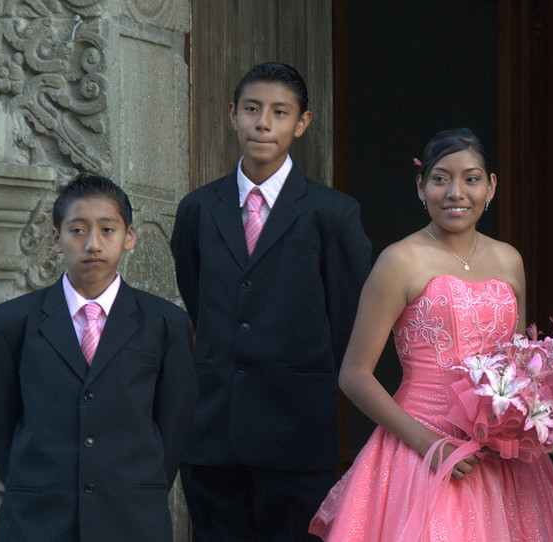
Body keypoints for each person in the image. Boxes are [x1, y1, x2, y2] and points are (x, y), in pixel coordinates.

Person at [309, 128, 553, 541]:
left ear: (491, 186)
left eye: (471, 179)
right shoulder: (399, 260)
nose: (456, 193)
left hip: (501, 459)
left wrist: (520, 419)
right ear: (421, 186)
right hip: (420, 450)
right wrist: (429, 445)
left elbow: (517, 367)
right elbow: (354, 375)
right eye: (440, 179)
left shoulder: (509, 260)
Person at [170, 61, 371, 541]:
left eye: (280, 112)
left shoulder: (333, 214)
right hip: (213, 432)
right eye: (252, 109)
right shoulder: (198, 209)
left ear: (301, 123)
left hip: (296, 434)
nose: (263, 123)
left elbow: (349, 324)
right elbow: (199, 300)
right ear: (232, 115)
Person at [0, 172, 197, 542]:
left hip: (132, 519)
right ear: (56, 239)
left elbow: (174, 424)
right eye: (77, 230)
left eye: (107, 230)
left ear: (129, 236)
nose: (93, 243)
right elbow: (1, 421)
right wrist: (32, 484)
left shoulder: (165, 323)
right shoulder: (11, 323)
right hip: (38, 519)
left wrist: (141, 485)